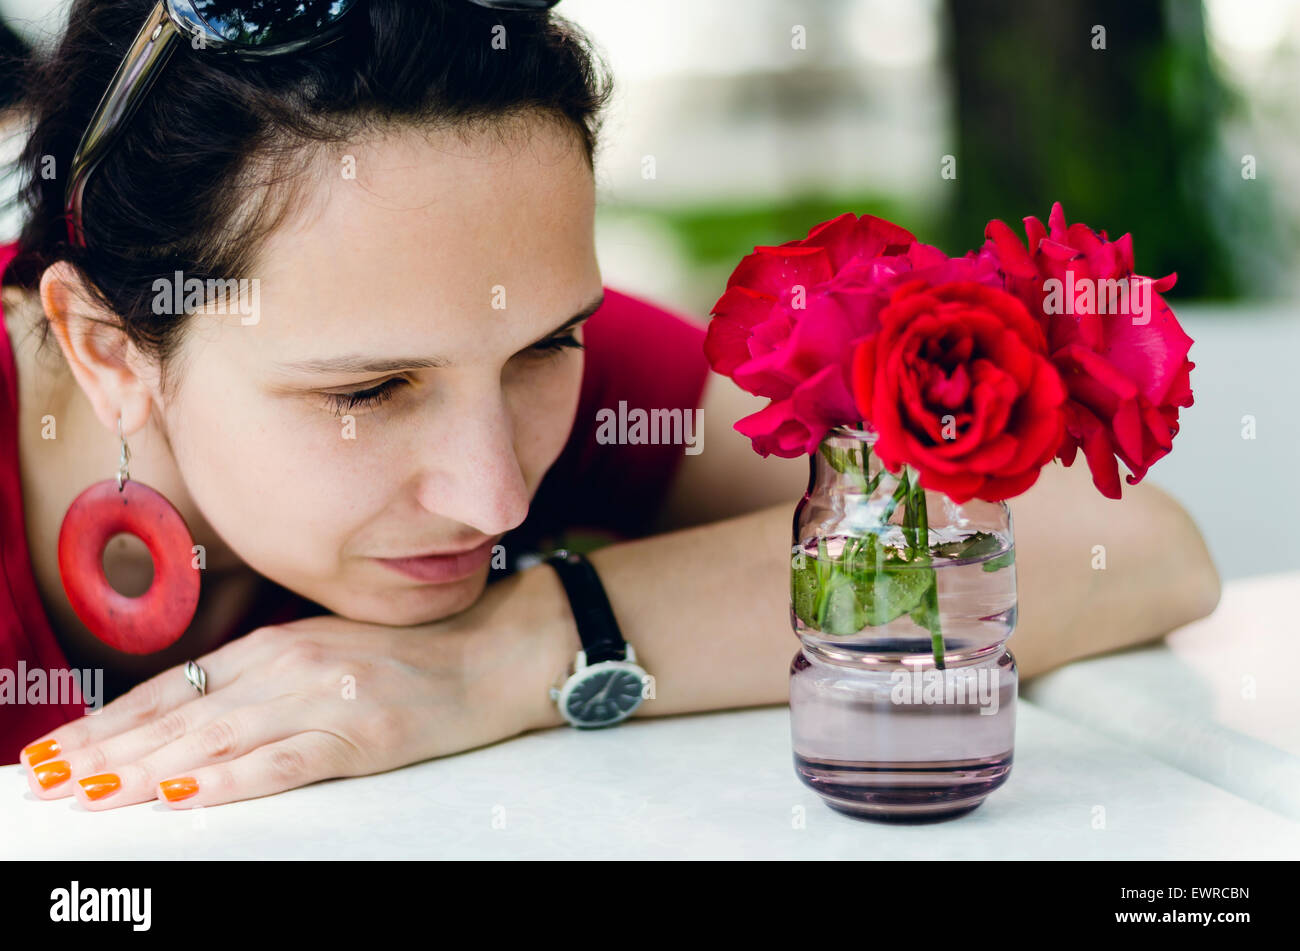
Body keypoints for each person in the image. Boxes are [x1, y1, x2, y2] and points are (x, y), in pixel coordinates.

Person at [1, 0, 1220, 809]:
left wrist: (528, 646)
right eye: (369, 390)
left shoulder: (483, 333)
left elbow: (1129, 549)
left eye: (550, 346)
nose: (493, 488)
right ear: (106, 346)